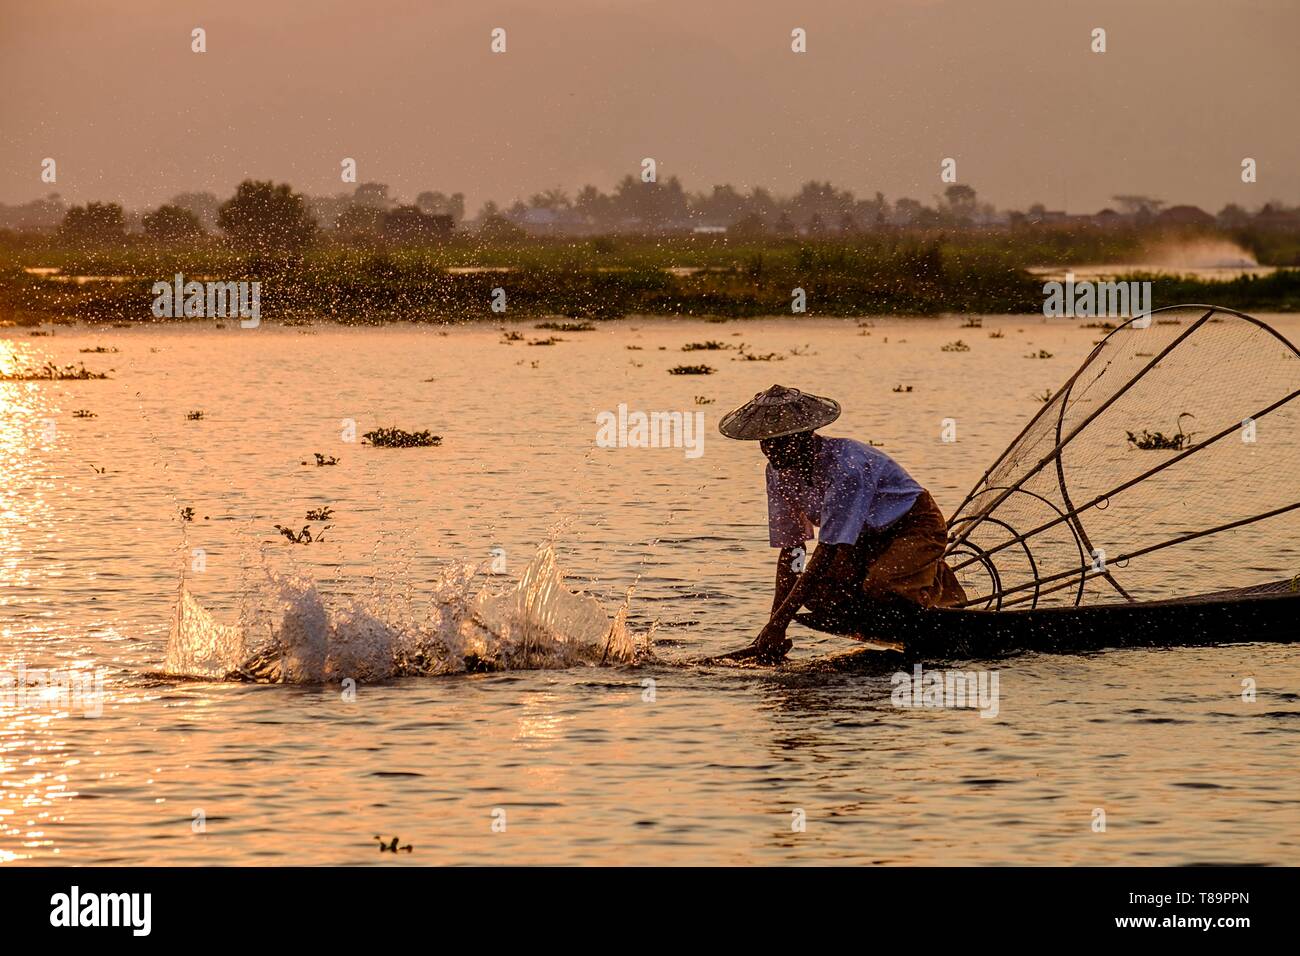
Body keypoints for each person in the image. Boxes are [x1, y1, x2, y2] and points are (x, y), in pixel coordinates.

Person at [718, 384, 966, 662]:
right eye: (766, 442)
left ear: (803, 437)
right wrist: (773, 626)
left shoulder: (845, 466)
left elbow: (827, 551)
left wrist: (777, 626)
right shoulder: (778, 473)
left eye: (780, 441)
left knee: (881, 585)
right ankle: (915, 574)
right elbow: (792, 550)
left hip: (913, 524)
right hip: (861, 537)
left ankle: (934, 586)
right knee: (818, 597)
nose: (771, 450)